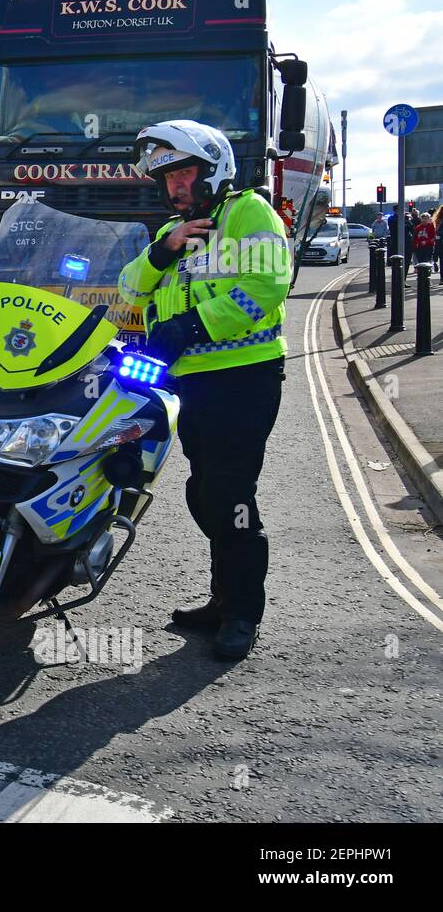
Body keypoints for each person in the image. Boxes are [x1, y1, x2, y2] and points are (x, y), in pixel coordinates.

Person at [118, 119, 290, 662]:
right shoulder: (176, 232)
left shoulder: (248, 212)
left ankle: (242, 614)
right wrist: (163, 250)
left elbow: (266, 285)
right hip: (192, 383)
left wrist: (191, 326)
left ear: (212, 167)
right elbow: (127, 287)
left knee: (231, 498)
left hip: (245, 378)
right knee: (204, 491)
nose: (174, 186)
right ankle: (223, 600)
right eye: (166, 178)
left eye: (183, 172)